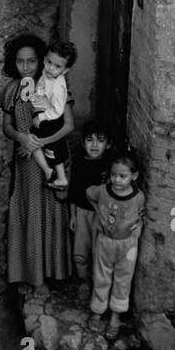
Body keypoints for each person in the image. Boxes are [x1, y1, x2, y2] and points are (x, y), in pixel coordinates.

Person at [1, 33, 73, 287]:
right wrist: (21, 138)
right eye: (20, 62)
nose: (26, 67)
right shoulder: (12, 90)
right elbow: (7, 126)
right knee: (29, 210)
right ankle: (30, 272)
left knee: (52, 208)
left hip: (51, 157)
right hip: (25, 162)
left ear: (40, 60)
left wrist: (38, 142)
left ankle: (54, 271)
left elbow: (68, 124)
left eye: (31, 61)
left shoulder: (54, 86)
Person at [86, 148, 145, 340]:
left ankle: (116, 315)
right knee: (101, 276)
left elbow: (142, 215)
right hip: (105, 242)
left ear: (134, 176)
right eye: (113, 175)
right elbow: (89, 193)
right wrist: (98, 213)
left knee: (123, 279)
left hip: (128, 246)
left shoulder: (138, 197)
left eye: (123, 176)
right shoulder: (103, 191)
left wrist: (140, 226)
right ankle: (98, 309)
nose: (117, 180)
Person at [27, 40, 77, 191]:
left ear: (65, 70)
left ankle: (51, 174)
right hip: (47, 116)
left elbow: (57, 112)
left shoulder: (58, 89)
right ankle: (59, 177)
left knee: (34, 143)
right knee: (55, 152)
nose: (50, 68)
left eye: (57, 66)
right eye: (49, 62)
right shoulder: (48, 73)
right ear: (44, 59)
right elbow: (42, 84)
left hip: (51, 120)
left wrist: (40, 117)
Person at [67, 121, 112, 285]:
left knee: (99, 249)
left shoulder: (109, 167)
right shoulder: (79, 163)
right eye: (89, 140)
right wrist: (72, 216)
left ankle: (97, 281)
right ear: (83, 142)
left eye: (100, 141)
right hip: (81, 213)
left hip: (101, 215)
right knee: (81, 249)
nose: (94, 145)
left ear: (108, 144)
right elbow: (72, 191)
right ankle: (83, 279)